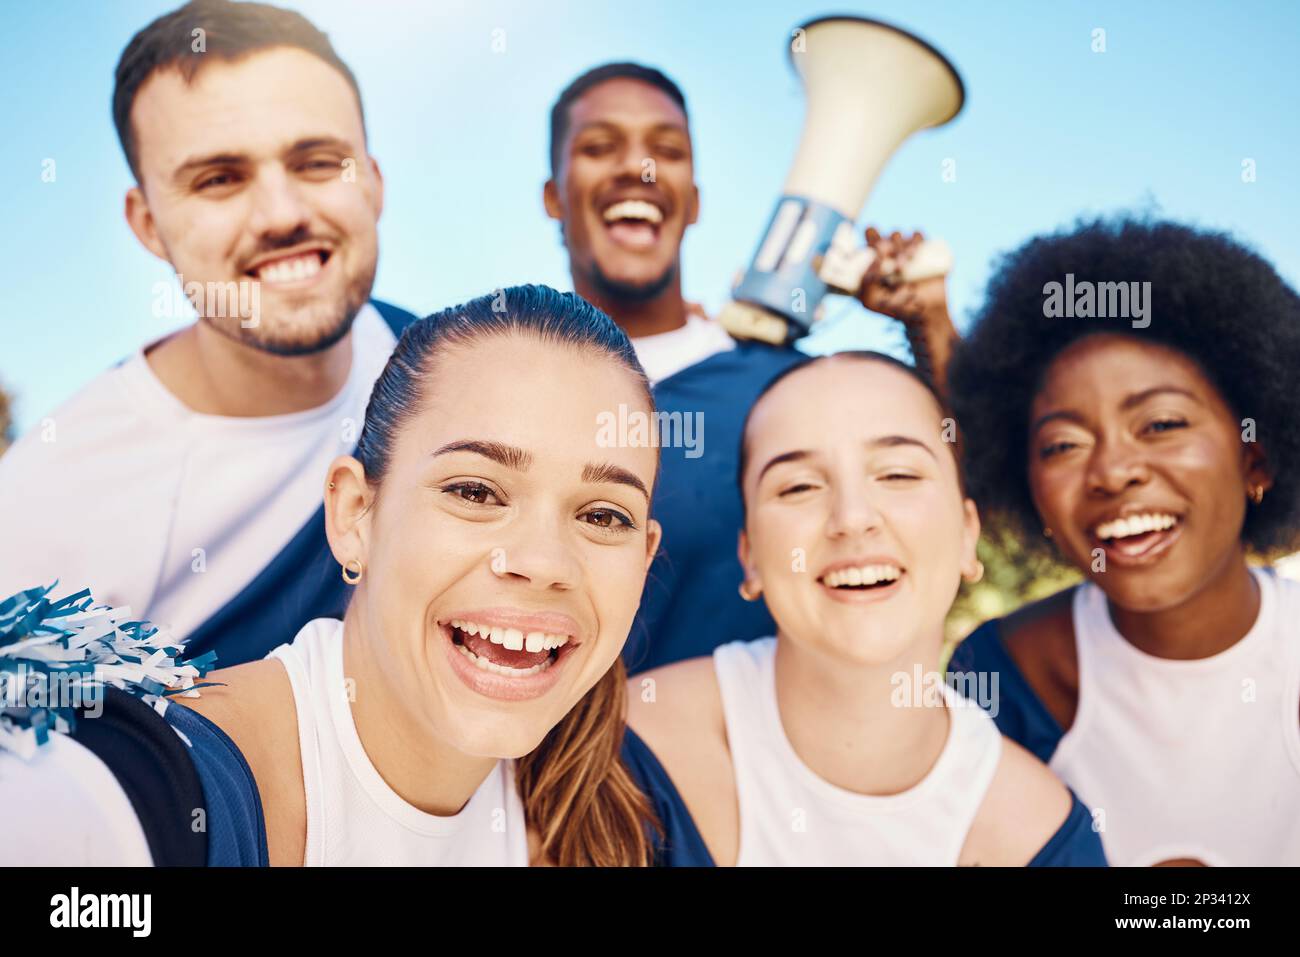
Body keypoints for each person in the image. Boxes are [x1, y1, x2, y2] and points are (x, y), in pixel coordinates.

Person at [0, 286, 677, 867]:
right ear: (355, 513)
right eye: (475, 490)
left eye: (602, 515)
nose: (544, 563)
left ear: (644, 560)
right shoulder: (160, 787)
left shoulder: (627, 807)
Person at [0, 0, 418, 666]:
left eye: (315, 162)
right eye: (219, 179)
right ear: (146, 224)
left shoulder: (456, 377)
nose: (281, 215)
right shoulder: (42, 516)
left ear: (371, 181)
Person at [543, 62, 957, 672]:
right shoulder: (504, 381)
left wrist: (930, 326)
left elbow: (957, 499)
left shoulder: (781, 388)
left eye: (668, 151)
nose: (639, 167)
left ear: (695, 201)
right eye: (600, 147)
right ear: (554, 196)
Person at [626, 352, 1105, 865]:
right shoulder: (622, 747)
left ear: (969, 534)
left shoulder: (1043, 838)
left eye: (898, 474)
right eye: (799, 486)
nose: (852, 518)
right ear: (751, 558)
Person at [946, 216, 1300, 865]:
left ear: (1257, 458)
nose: (1112, 471)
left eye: (1160, 423)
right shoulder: (1000, 674)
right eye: (1063, 444)